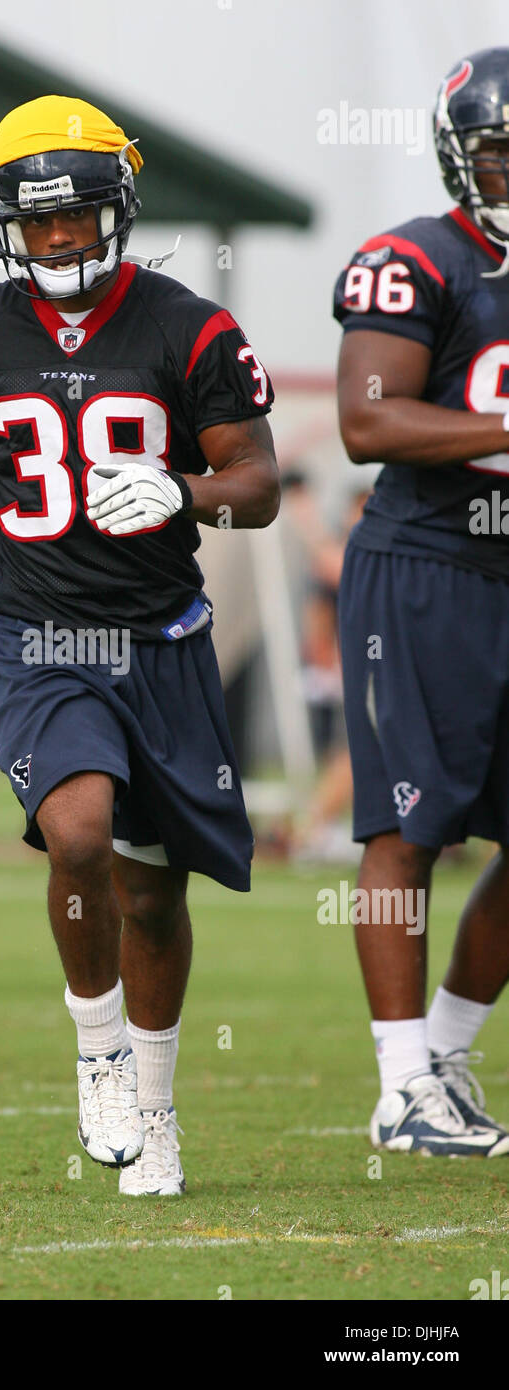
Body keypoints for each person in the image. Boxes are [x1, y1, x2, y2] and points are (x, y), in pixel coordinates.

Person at [0, 96, 279, 1194]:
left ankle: (154, 1100)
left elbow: (260, 485)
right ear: (4, 223)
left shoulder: (188, 327)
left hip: (163, 639)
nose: (56, 240)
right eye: (35, 223)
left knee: (151, 892)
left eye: (76, 216)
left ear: (117, 209)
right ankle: (95, 1048)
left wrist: (185, 491)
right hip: (41, 634)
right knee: (78, 832)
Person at [333, 49, 509, 1156]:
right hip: (428, 564)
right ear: (461, 154)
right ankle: (399, 1081)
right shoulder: (414, 257)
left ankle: (444, 1053)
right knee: (408, 823)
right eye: (502, 152)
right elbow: (367, 419)